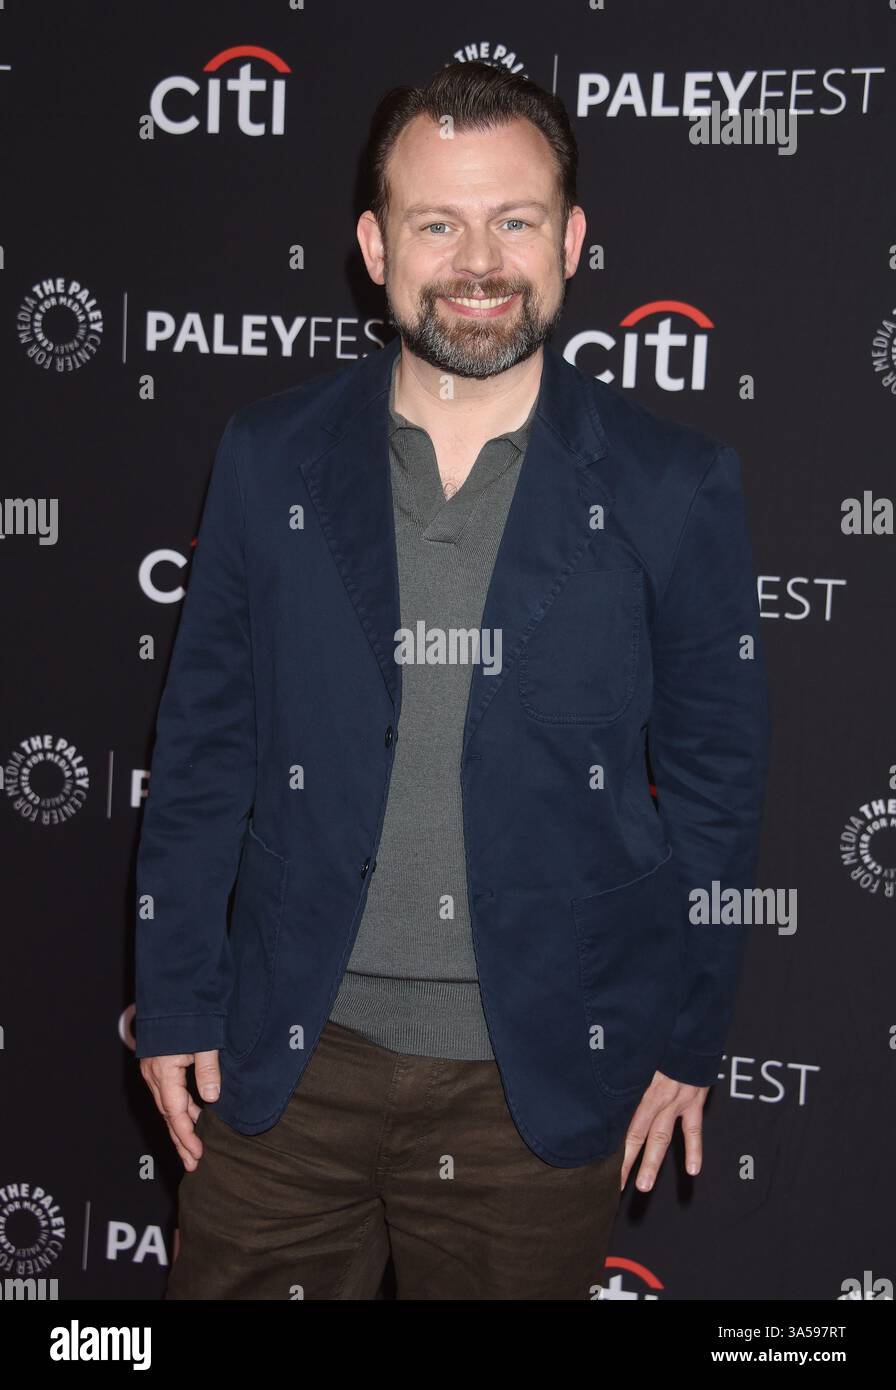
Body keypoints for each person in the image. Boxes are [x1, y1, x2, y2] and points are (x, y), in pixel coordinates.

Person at [135, 60, 772, 1300]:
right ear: (374, 246)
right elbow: (205, 750)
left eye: (513, 219)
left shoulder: (671, 485)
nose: (477, 259)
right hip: (281, 1069)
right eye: (437, 222)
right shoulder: (267, 456)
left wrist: (688, 1035)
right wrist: (171, 1000)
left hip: (534, 1084)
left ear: (572, 240)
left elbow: (714, 788)